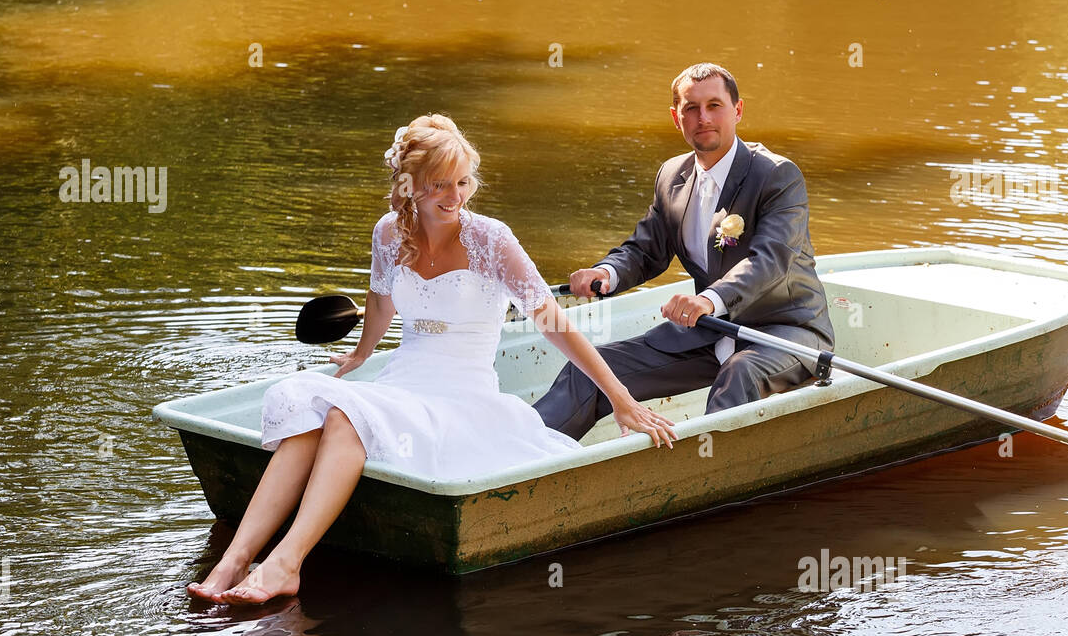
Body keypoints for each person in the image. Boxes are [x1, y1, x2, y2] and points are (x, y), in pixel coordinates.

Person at [187, 114, 677, 605]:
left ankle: (285, 564)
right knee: (307, 411)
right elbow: (380, 301)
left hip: (462, 392)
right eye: (440, 184)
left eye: (463, 181)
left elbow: (554, 323)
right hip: (404, 379)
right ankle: (233, 559)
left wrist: (621, 397)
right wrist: (361, 353)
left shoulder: (492, 240)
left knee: (344, 416)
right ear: (409, 186)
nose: (455, 195)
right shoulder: (388, 233)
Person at [533, 62, 834, 440]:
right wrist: (606, 273)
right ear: (677, 118)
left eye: (714, 106)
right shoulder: (671, 176)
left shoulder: (776, 175)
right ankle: (520, 455)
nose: (703, 118)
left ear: (737, 110)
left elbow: (771, 260)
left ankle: (703, 481)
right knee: (591, 368)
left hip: (785, 332)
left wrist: (709, 300)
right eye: (691, 108)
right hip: (708, 333)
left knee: (738, 373)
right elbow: (646, 250)